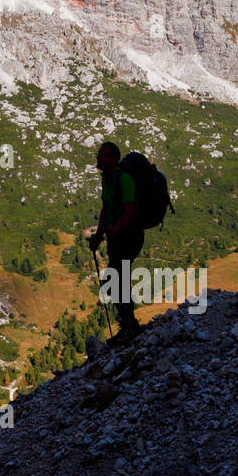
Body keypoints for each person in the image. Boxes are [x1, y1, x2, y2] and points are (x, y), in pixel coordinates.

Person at [88, 141, 143, 338]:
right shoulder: (107, 179)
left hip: (129, 237)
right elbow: (106, 209)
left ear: (113, 159)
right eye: (99, 153)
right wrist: (99, 235)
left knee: (115, 279)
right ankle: (128, 325)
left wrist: (114, 229)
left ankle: (130, 327)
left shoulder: (124, 179)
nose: (98, 157)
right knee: (116, 280)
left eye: (103, 154)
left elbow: (129, 212)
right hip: (118, 238)